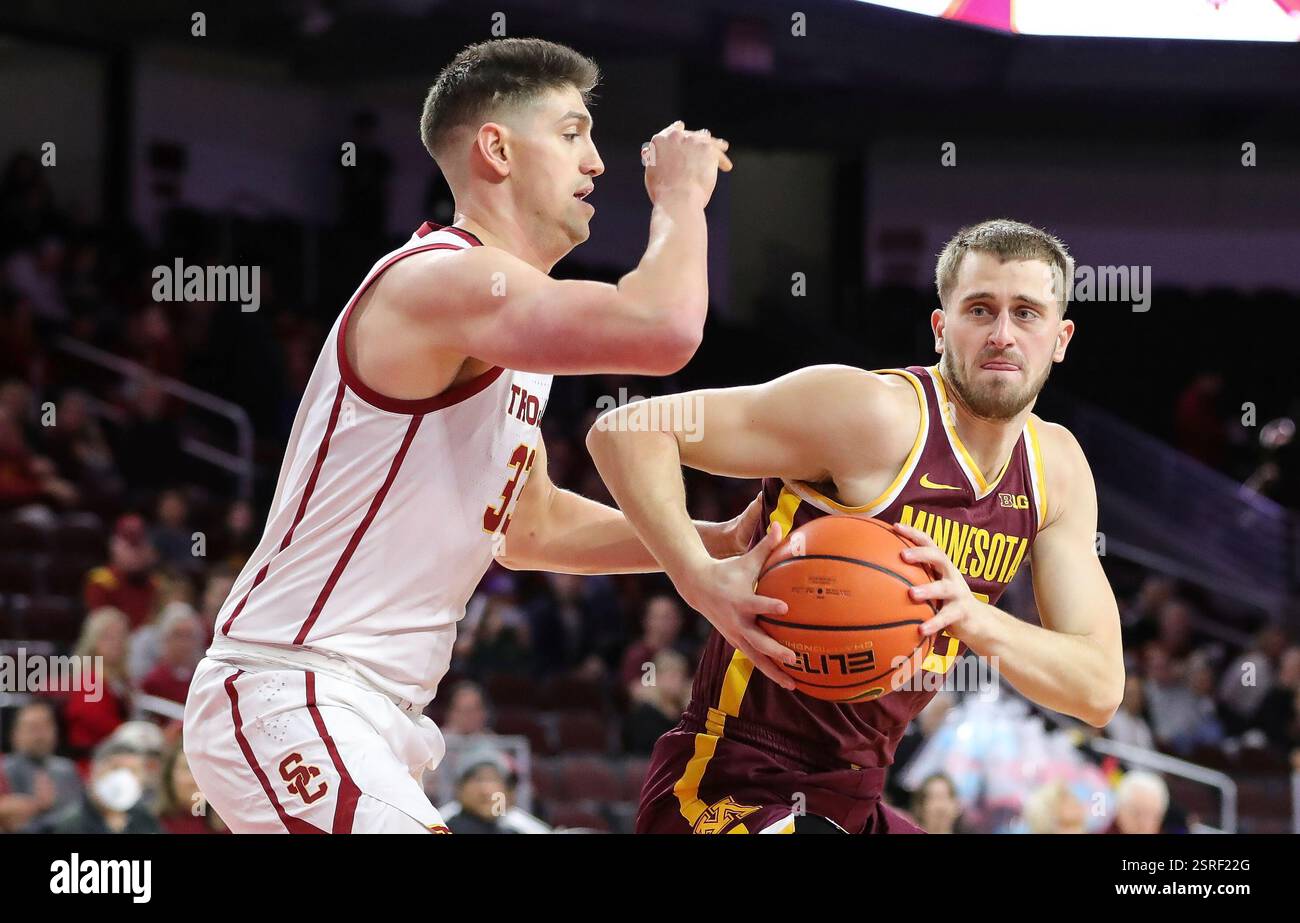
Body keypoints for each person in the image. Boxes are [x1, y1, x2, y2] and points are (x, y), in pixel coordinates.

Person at [183, 36, 753, 834]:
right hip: (294, 687)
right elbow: (663, 329)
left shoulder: (511, 329)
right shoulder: (442, 279)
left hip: (379, 711)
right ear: (496, 147)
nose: (596, 163)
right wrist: (684, 199)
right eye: (571, 133)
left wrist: (716, 538)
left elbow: (530, 528)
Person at [587, 218, 1125, 834]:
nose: (1002, 334)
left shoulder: (1056, 469)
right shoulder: (871, 415)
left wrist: (973, 617)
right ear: (940, 327)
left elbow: (1098, 686)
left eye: (1026, 313)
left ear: (1060, 338)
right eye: (981, 309)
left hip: (857, 797)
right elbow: (628, 431)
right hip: (730, 780)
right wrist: (698, 576)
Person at [31, 735, 162, 834]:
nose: (124, 777)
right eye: (116, 768)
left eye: (133, 771)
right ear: (94, 771)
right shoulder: (66, 825)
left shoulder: (146, 820)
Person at [1, 700, 84, 827]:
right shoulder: (4, 770)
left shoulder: (67, 769)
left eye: (46, 726)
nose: (40, 736)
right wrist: (34, 805)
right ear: (14, 734)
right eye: (32, 728)